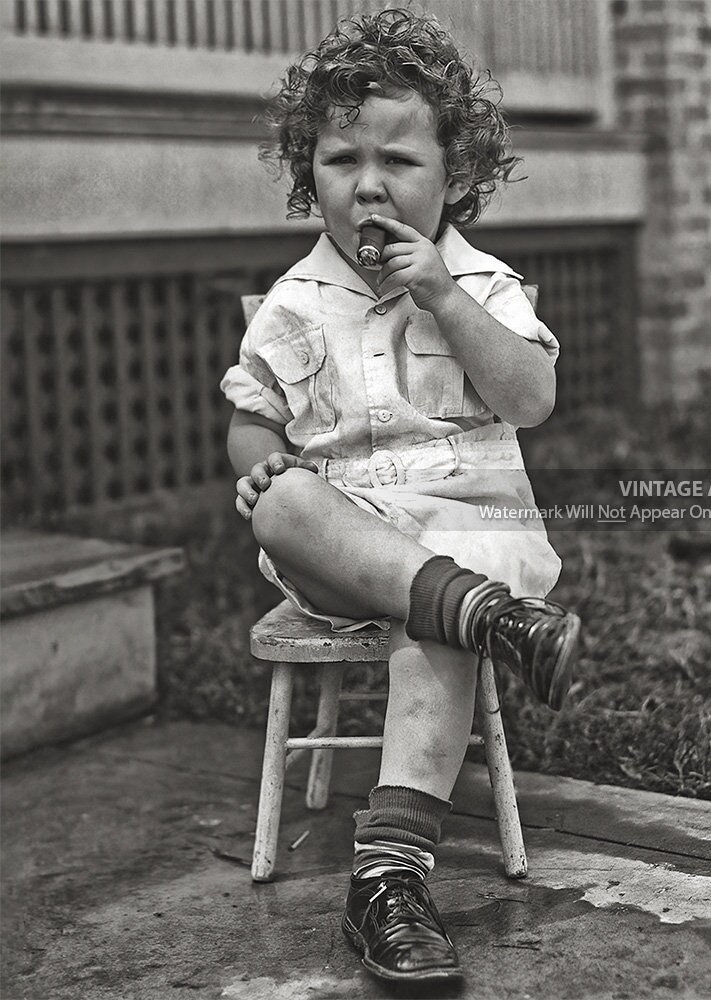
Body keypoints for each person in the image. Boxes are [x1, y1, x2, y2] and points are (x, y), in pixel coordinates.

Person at [221, 8, 581, 986]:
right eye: (341, 159)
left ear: (456, 175)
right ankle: (494, 620)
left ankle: (385, 882)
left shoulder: (484, 285)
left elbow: (530, 398)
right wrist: (256, 459)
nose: (368, 184)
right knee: (279, 503)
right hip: (345, 555)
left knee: (437, 621)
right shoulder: (299, 300)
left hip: (462, 543)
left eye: (397, 160)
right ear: (310, 173)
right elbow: (253, 412)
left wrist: (446, 300)